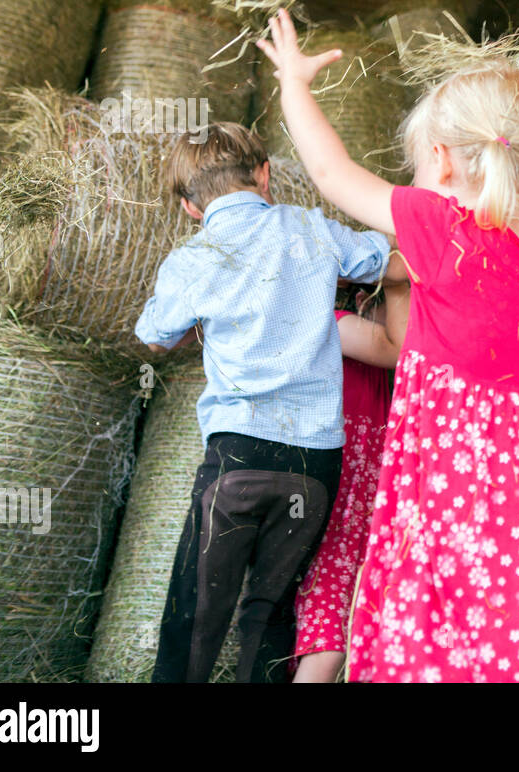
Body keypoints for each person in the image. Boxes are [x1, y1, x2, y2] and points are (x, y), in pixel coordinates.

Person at [258, 9, 519, 682]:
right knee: (514, 644)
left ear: (442, 161)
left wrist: (294, 84)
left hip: (453, 488)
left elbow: (331, 173)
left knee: (431, 642)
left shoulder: (440, 224)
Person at [135, 122, 394, 683]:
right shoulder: (310, 229)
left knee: (196, 613)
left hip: (237, 458)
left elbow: (155, 334)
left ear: (189, 207)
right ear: (264, 173)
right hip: (315, 465)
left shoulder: (195, 256)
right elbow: (382, 258)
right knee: (273, 615)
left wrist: (202, 319)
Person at [292, 285, 401, 683]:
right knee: (328, 639)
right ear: (363, 300)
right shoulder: (336, 326)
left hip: (362, 513)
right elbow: (400, 347)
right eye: (399, 304)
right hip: (338, 505)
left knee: (350, 632)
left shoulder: (389, 384)